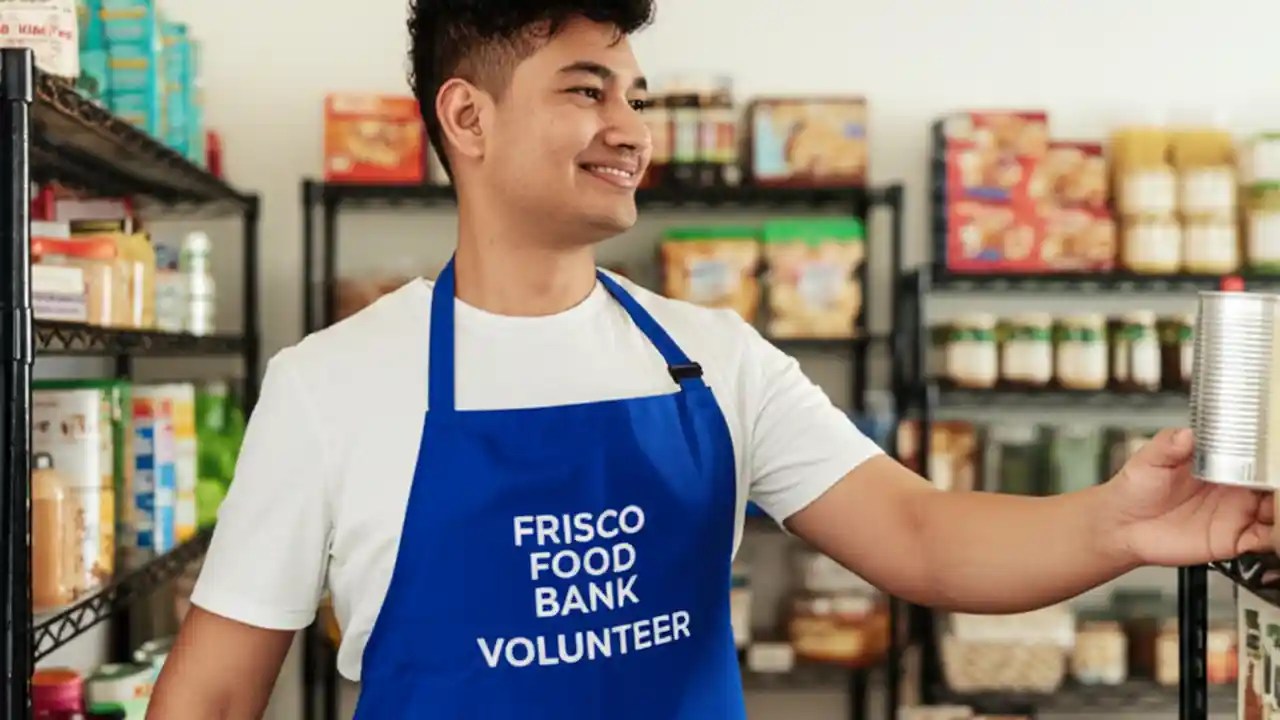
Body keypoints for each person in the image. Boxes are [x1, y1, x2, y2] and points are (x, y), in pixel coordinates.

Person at [147, 1, 1274, 717]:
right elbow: (213, 691)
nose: (631, 127)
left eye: (633, 95)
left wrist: (1120, 525)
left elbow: (924, 539)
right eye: (585, 90)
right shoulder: (328, 385)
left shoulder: (710, 356)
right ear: (467, 117)